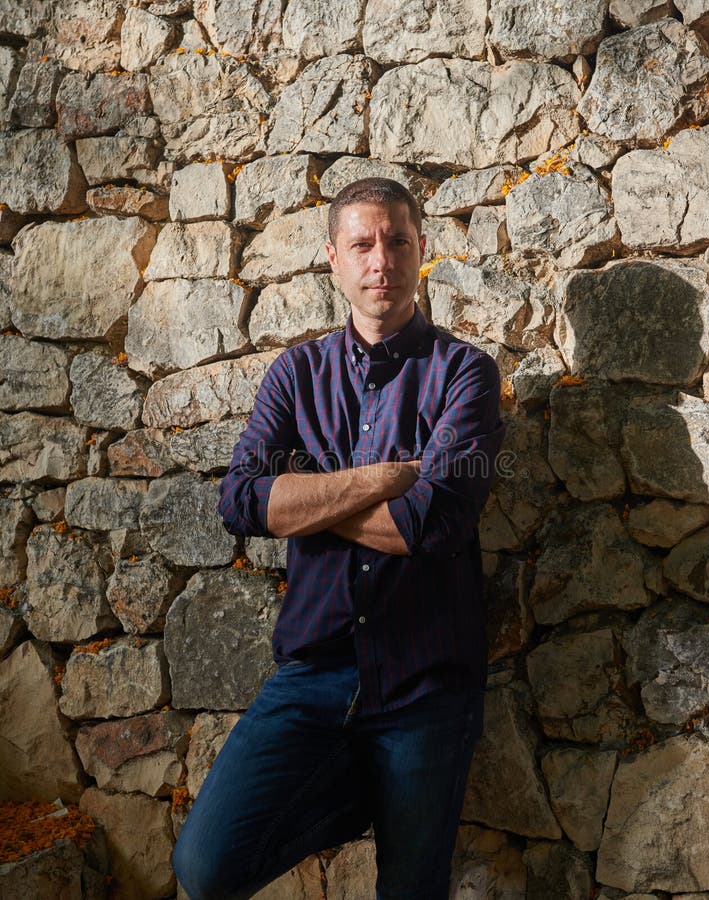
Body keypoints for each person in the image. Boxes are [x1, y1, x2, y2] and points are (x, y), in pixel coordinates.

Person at [172, 178, 506, 900]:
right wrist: (385, 476)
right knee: (205, 869)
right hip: (313, 673)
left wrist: (305, 493)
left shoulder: (464, 374)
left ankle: (384, 791)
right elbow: (239, 501)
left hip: (425, 684)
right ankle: (360, 794)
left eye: (396, 242)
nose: (379, 259)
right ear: (334, 258)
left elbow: (430, 524)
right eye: (361, 244)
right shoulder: (296, 374)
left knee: (410, 891)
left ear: (421, 252)